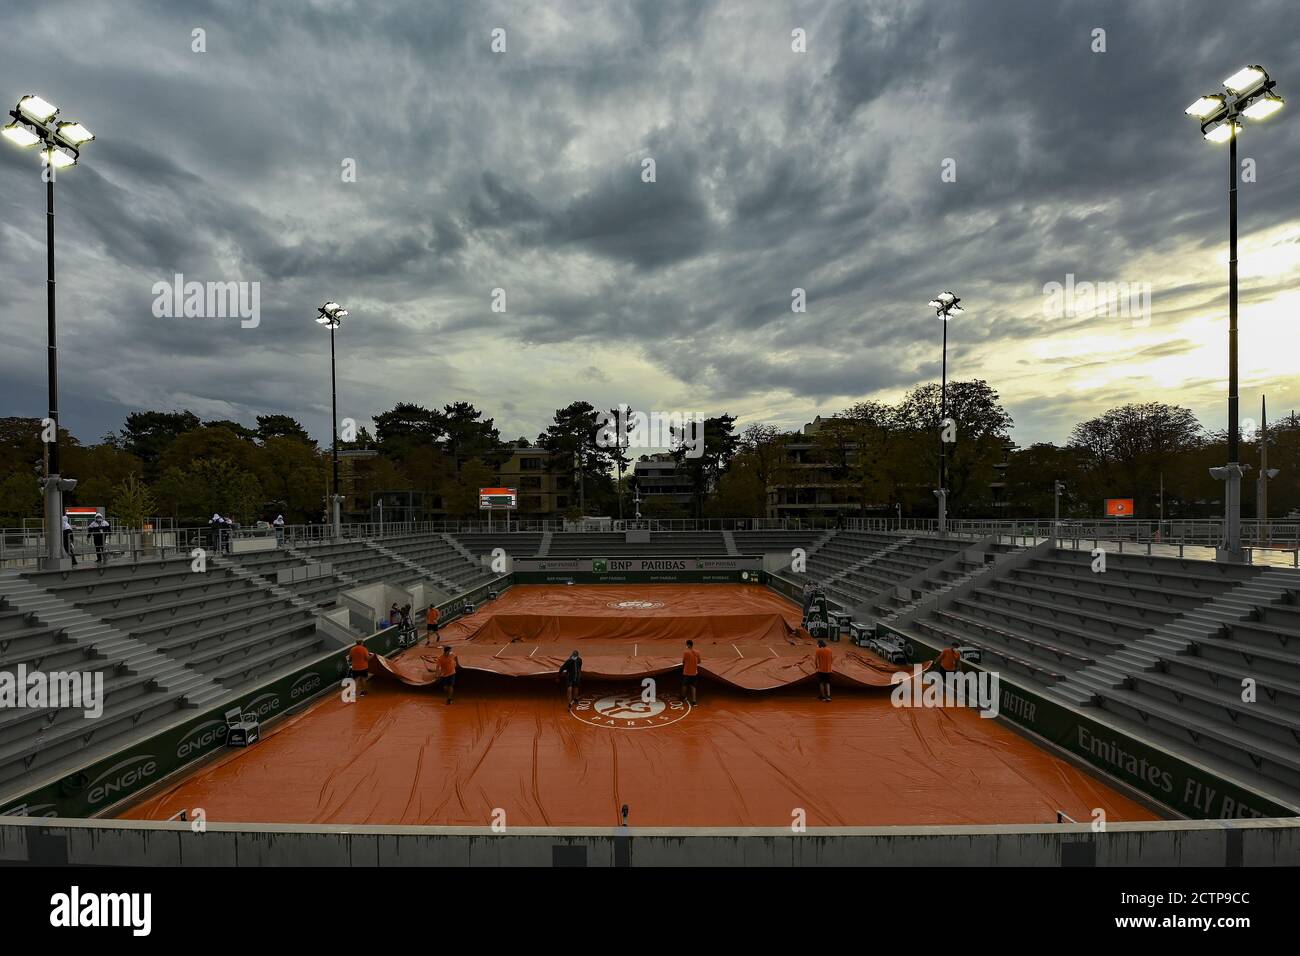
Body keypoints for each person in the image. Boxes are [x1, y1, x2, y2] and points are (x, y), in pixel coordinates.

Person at [681, 639, 701, 706]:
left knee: (684, 685)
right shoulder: (697, 652)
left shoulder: (685, 652)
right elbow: (699, 661)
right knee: (693, 686)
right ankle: (694, 701)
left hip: (686, 672)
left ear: (688, 645)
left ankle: (683, 697)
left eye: (686, 644)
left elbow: (683, 662)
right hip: (694, 673)